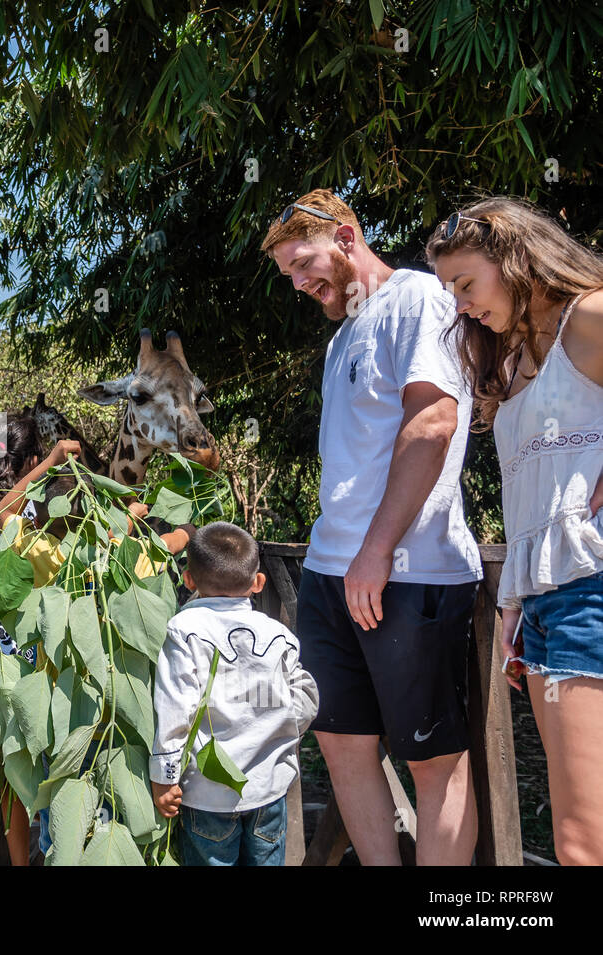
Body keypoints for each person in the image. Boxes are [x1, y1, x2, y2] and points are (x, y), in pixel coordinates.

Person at [261, 189, 484, 865]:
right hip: (332, 575)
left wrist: (378, 549)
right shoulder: (341, 337)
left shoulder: (416, 299)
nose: (299, 282)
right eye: (289, 275)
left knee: (432, 758)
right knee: (340, 741)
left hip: (409, 572)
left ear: (348, 236)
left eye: (303, 262)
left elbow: (433, 422)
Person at [427, 198, 603, 865]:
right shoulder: (509, 363)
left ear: (513, 256)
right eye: (450, 291)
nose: (461, 304)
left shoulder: (588, 317)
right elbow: (526, 490)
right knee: (580, 837)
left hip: (592, 587)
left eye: (466, 283)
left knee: (582, 845)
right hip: (547, 602)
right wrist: (512, 604)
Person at [149, 522, 319, 865]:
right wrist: (283, 730)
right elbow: (306, 697)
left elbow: (175, 710)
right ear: (258, 583)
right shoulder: (279, 635)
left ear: (189, 580)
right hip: (269, 791)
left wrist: (164, 778)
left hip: (207, 796)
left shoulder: (184, 632)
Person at [0, 414, 83, 865]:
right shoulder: (32, 505)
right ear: (31, 457)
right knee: (41, 760)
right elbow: (6, 512)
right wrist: (52, 464)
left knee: (16, 769)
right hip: (32, 645)